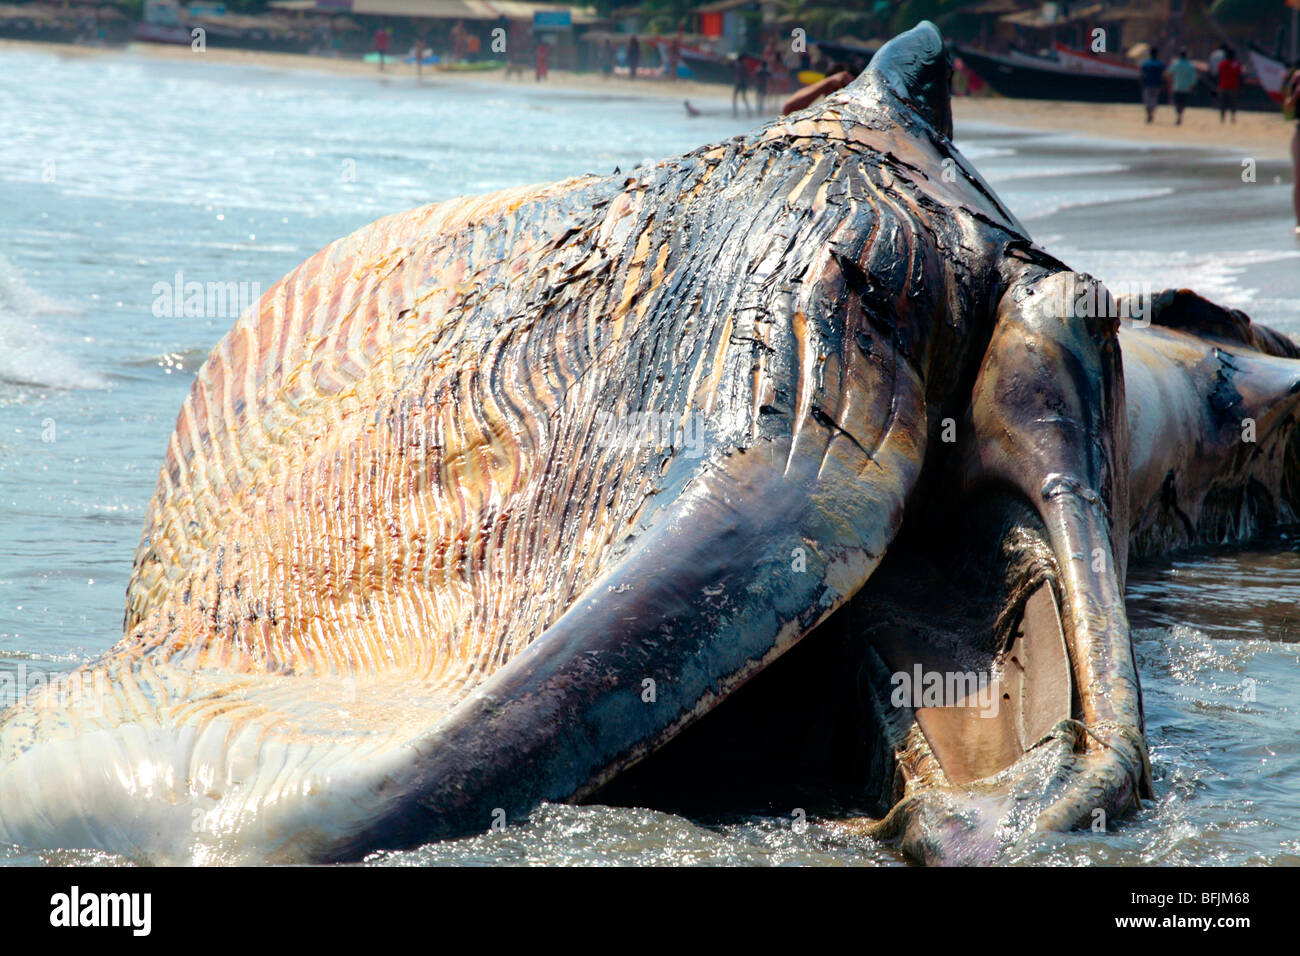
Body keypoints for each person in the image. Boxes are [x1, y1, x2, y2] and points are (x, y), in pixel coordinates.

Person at [781, 70, 853, 114]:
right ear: (825, 91)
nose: (840, 94)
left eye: (846, 88)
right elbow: (790, 110)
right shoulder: (821, 117)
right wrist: (827, 82)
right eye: (836, 89)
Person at [1285, 63, 1300, 235]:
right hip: (1299, 132)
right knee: (1299, 179)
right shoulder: (1297, 77)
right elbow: (1288, 107)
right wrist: (1296, 95)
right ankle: (1298, 222)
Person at [1167, 48, 1197, 126]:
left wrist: (1169, 83)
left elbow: (1169, 73)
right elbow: (1193, 78)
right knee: (1183, 103)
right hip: (1186, 88)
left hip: (1177, 86)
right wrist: (1193, 87)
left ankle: (1178, 115)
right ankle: (1180, 115)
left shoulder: (1176, 64)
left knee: (1177, 102)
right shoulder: (1190, 66)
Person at [1139, 45, 1165, 123]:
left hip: (1147, 84)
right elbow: (1163, 76)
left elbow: (1141, 75)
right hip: (1157, 84)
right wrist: (1163, 85)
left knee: (1147, 100)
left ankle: (1149, 114)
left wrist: (1140, 83)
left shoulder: (1146, 64)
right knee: (1154, 100)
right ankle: (1150, 114)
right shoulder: (1160, 64)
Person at [1218, 47, 1243, 124]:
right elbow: (1240, 76)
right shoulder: (1237, 64)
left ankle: (1222, 119)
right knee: (1233, 104)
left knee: (1223, 103)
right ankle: (1233, 117)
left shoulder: (1222, 64)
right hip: (1233, 87)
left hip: (1223, 86)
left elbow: (1219, 74)